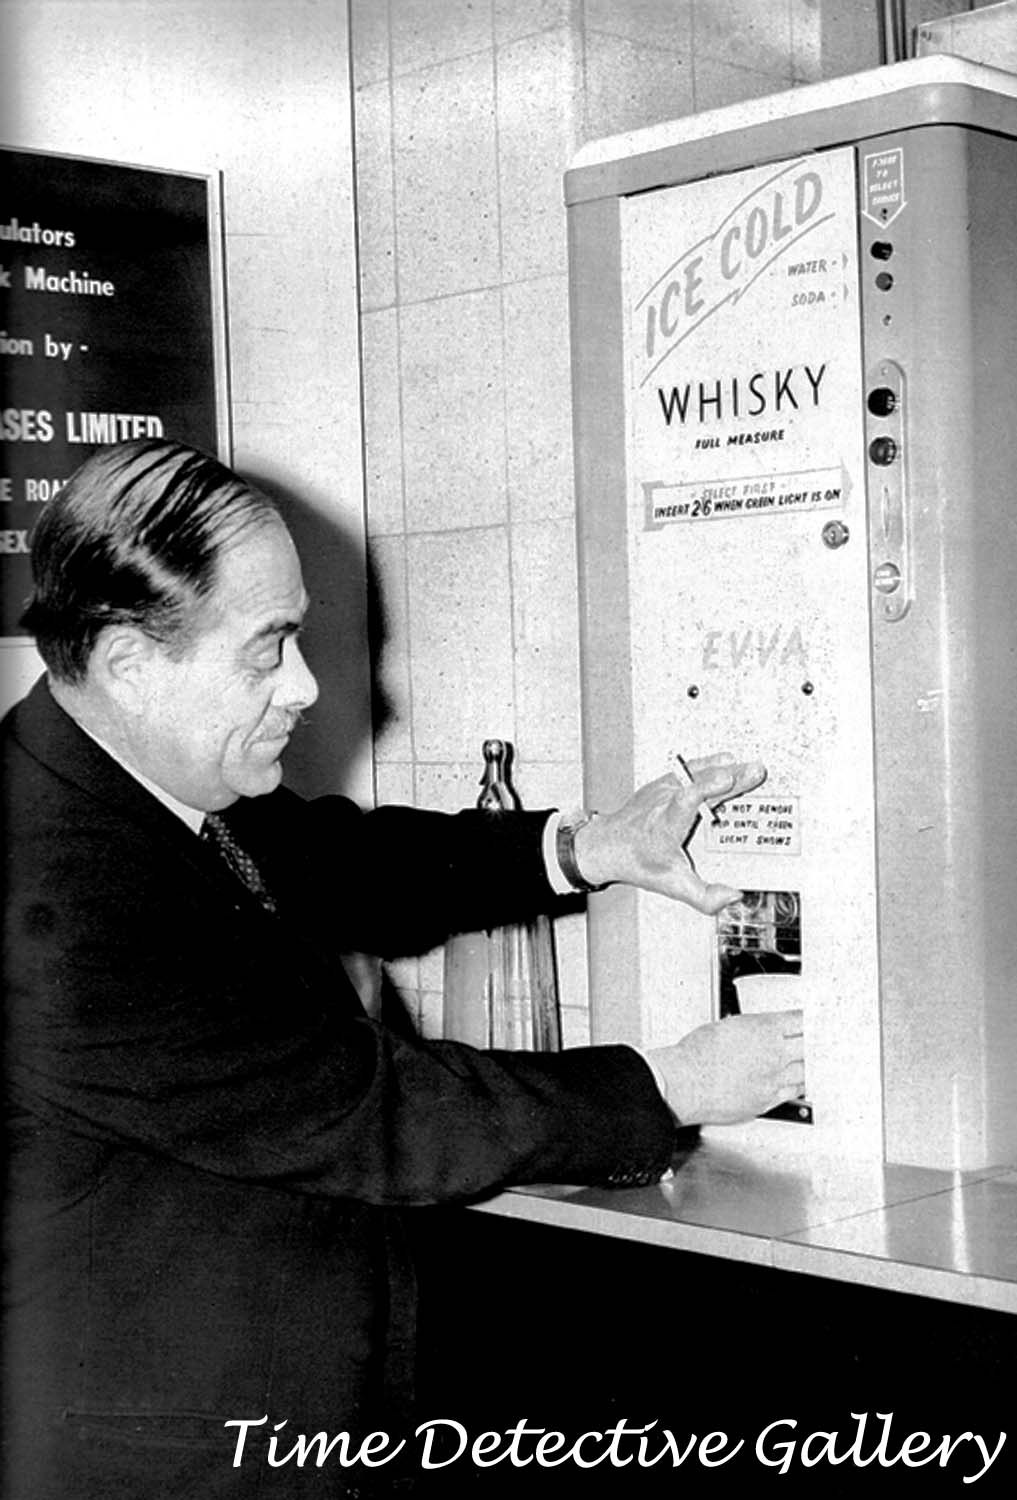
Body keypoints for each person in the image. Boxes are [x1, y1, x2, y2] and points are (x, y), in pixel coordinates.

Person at [2, 439, 804, 1498]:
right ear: (130, 665)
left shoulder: (125, 785)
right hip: (168, 1461)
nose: (310, 685)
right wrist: (670, 1086)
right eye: (269, 647)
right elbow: (369, 1110)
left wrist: (580, 848)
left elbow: (340, 859)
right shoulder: (55, 888)